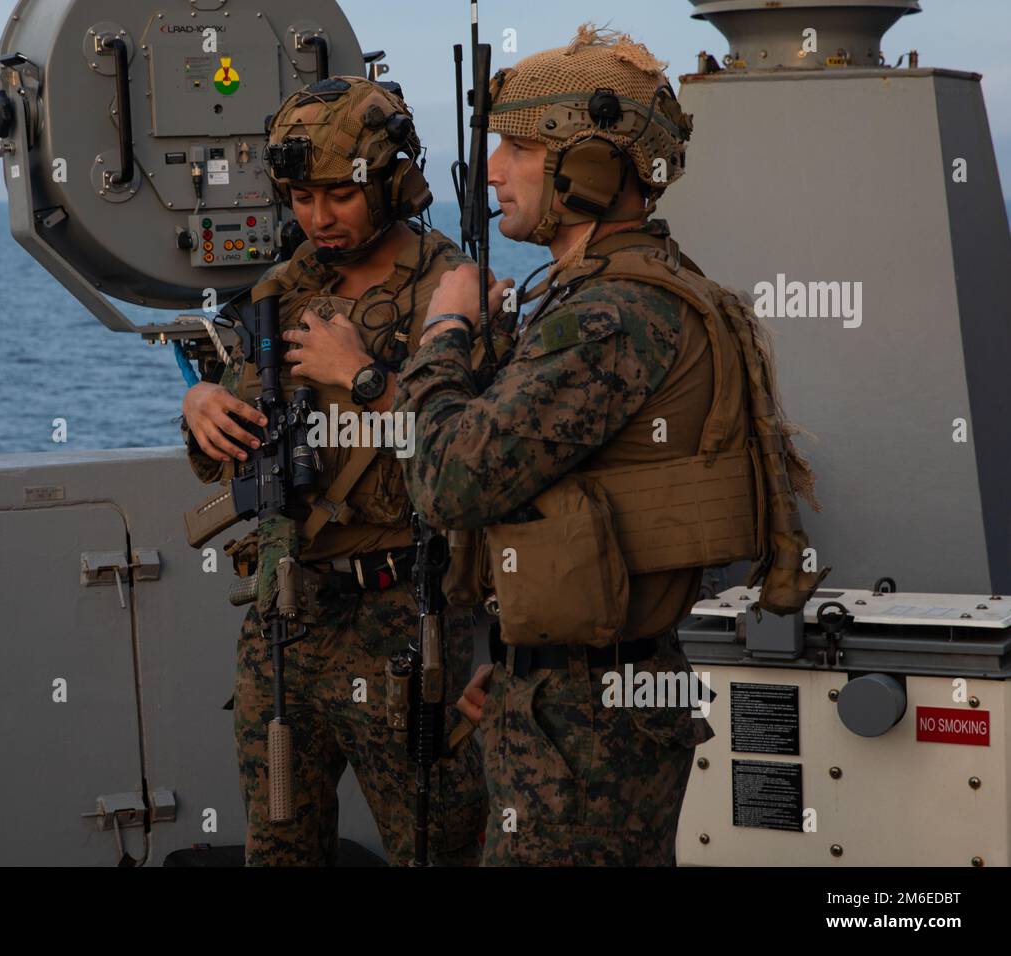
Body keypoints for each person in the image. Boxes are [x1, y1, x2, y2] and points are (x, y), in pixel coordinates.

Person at [394, 26, 825, 866]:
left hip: (581, 733)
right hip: (580, 699)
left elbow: (448, 480)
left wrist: (446, 327)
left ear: (587, 170)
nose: (490, 171)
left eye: (517, 148)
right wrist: (523, 664)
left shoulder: (607, 318)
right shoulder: (635, 290)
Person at [181, 76, 486, 866]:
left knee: (434, 845)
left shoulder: (451, 291)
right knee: (279, 844)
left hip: (401, 616)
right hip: (288, 612)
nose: (318, 217)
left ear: (392, 183)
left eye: (339, 197)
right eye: (301, 197)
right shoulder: (285, 290)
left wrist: (363, 375)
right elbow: (247, 433)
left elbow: (471, 463)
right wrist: (205, 412)